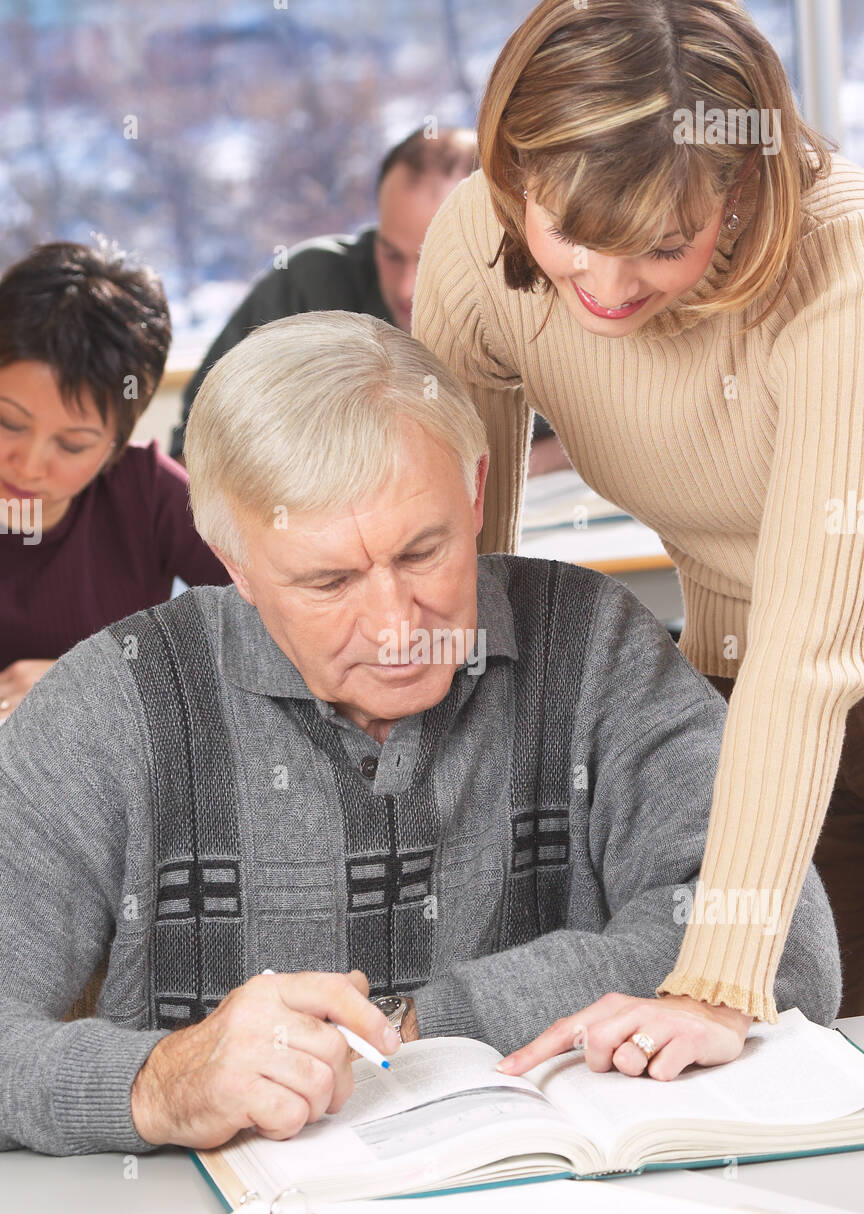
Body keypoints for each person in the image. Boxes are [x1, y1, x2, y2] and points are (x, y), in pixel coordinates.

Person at [0, 311, 838, 1157]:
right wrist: (160, 1082)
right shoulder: (111, 703)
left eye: (423, 552)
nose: (398, 628)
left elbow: (777, 930)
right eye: (328, 581)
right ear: (233, 561)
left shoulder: (592, 641)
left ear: (475, 491)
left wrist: (425, 1027)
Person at [411, 0, 864, 1034]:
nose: (607, 288)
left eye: (663, 245)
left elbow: (812, 650)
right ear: (520, 175)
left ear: (741, 184)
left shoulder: (843, 267)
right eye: (570, 233)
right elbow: (454, 560)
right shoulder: (477, 244)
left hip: (813, 667)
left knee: (788, 1037)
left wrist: (717, 985)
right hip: (739, 680)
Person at [0, 240, 230, 720]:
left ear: (114, 444)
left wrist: (95, 685)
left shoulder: (149, 496)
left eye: (73, 445)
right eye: (8, 422)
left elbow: (282, 633)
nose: (29, 464)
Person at [168, 126, 479, 461]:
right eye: (391, 254)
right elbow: (195, 442)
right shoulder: (306, 287)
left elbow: (543, 433)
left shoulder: (526, 301)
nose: (406, 288)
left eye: (429, 260)